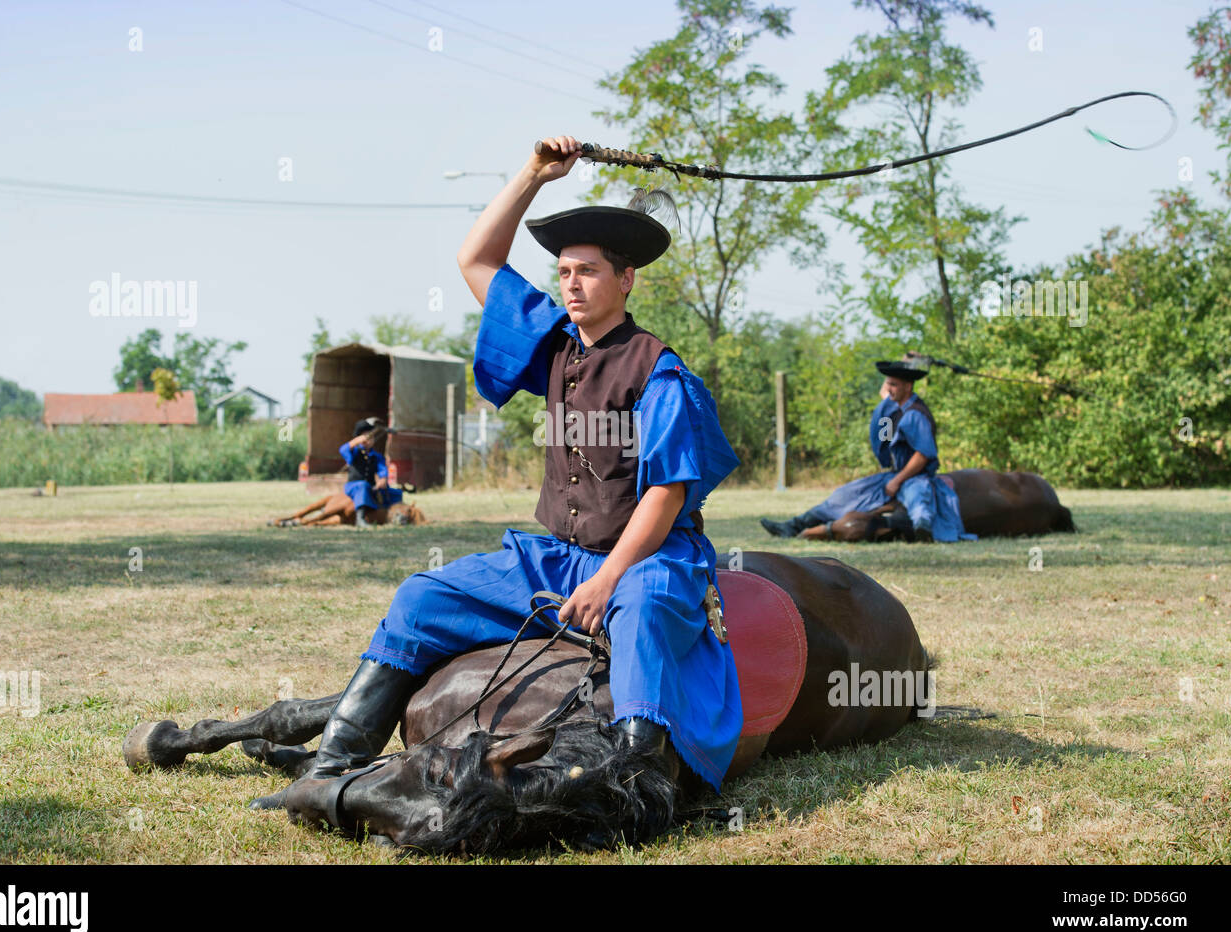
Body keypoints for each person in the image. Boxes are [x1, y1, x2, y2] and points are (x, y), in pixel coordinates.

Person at [253, 134, 742, 813]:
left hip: (646, 557)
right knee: (422, 597)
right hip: (555, 556)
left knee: (650, 609)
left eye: (589, 271)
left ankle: (639, 769)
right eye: (565, 271)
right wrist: (536, 173)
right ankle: (331, 767)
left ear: (626, 279)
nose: (572, 282)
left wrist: (608, 578)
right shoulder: (550, 346)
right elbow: (475, 258)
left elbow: (667, 494)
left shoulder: (656, 369)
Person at [760, 358, 976, 542]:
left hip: (914, 477)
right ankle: (793, 526)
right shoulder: (896, 408)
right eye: (888, 383)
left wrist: (897, 481)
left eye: (893, 384)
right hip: (894, 475)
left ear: (908, 387)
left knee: (920, 507)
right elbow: (884, 424)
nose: (887, 389)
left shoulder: (915, 415)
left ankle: (924, 532)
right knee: (845, 495)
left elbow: (923, 455)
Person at [338, 417, 402, 526]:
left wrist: (383, 479)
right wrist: (355, 442)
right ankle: (360, 518)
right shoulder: (354, 453)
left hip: (371, 486)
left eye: (370, 437)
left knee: (396, 493)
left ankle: (395, 515)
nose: (368, 440)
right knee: (363, 486)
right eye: (365, 438)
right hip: (354, 486)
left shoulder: (376, 456)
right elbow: (343, 450)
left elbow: (382, 469)